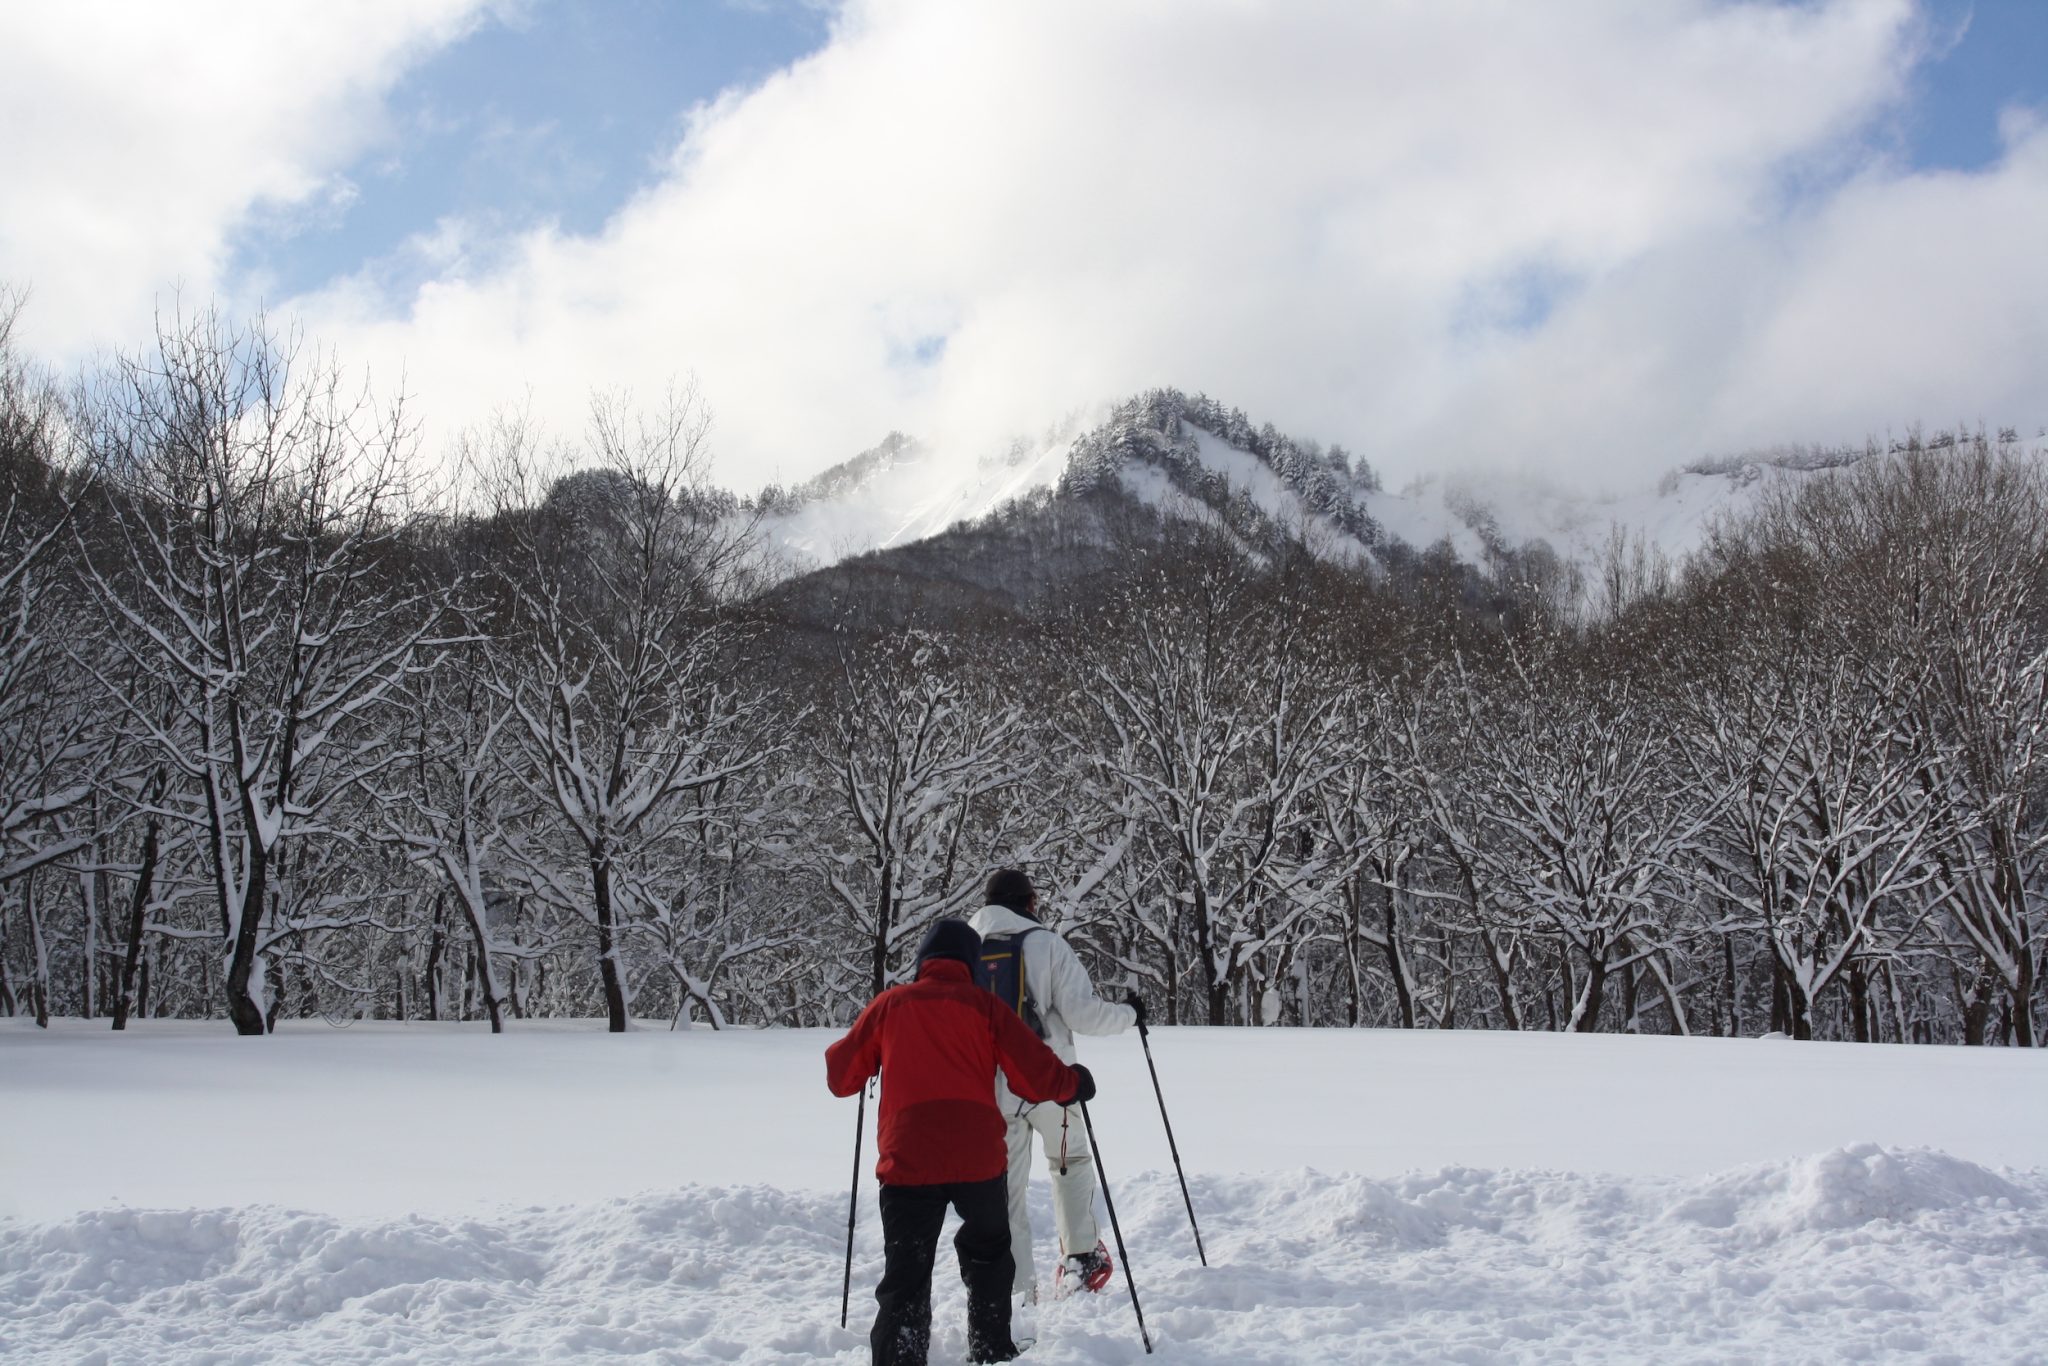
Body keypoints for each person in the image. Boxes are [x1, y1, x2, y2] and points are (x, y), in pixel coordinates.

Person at [826, 917, 1096, 1366]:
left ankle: (900, 1357)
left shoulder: (891, 1005)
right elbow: (1032, 1072)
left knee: (906, 1273)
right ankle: (991, 1350)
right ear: (971, 964)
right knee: (990, 1257)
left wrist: (870, 1056)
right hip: (978, 1160)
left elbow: (840, 1076)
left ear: (922, 963)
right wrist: (1072, 1084)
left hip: (908, 1162)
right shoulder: (985, 1007)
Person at [969, 869, 1140, 1303]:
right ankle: (1081, 1260)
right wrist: (1130, 1015)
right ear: (1028, 902)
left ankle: (1016, 1288)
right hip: (1050, 1082)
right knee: (1070, 1162)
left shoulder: (965, 945)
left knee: (1006, 1187)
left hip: (991, 1088)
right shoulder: (1047, 944)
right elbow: (1083, 1015)